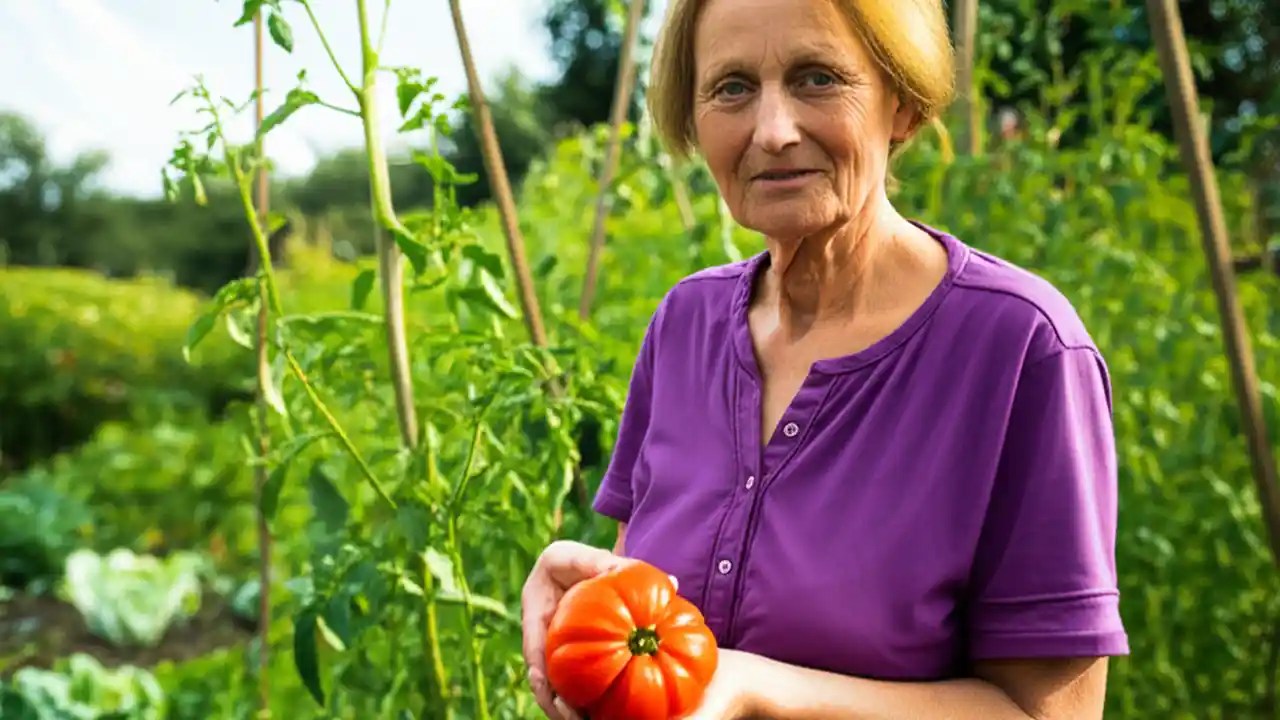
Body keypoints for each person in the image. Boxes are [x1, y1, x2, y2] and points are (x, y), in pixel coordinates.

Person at [521, 0, 1130, 717]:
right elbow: (638, 615)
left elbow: (1047, 713)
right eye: (732, 88)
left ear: (901, 105)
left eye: (817, 79)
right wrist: (582, 605)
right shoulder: (685, 324)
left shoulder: (1020, 349)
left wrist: (758, 692)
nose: (773, 132)